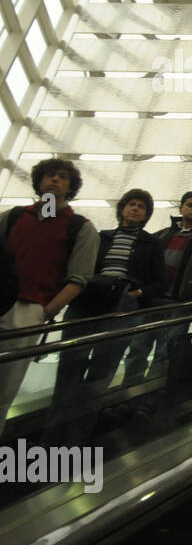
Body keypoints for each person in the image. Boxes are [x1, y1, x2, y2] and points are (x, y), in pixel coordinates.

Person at [47, 189, 167, 445]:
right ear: (121, 208)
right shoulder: (101, 237)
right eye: (131, 204)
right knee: (69, 368)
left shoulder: (152, 244)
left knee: (100, 374)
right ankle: (51, 438)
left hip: (122, 304)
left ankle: (74, 441)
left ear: (147, 215)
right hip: (87, 300)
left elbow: (160, 283)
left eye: (141, 207)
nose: (135, 209)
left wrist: (138, 293)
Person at [0, 159, 99, 435]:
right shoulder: (14, 216)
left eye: (63, 177)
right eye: (49, 175)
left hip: (30, 309)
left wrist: (45, 312)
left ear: (71, 186)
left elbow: (79, 278)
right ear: (39, 180)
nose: (54, 180)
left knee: (4, 388)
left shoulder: (80, 227)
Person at [121, 191, 192, 388]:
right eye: (190, 205)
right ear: (181, 209)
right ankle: (127, 394)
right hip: (151, 301)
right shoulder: (161, 235)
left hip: (181, 303)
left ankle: (149, 399)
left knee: (165, 353)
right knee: (137, 349)